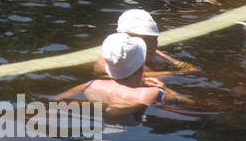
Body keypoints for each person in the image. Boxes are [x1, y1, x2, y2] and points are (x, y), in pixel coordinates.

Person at [52, 33, 191, 108]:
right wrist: (166, 89)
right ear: (142, 62)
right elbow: (191, 105)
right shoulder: (152, 93)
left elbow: (55, 100)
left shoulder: (91, 85)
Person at [107, 9, 194, 73]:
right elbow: (134, 77)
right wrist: (172, 73)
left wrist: (176, 66)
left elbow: (189, 68)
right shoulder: (111, 62)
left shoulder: (154, 53)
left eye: (154, 39)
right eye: (144, 39)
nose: (152, 45)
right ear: (123, 36)